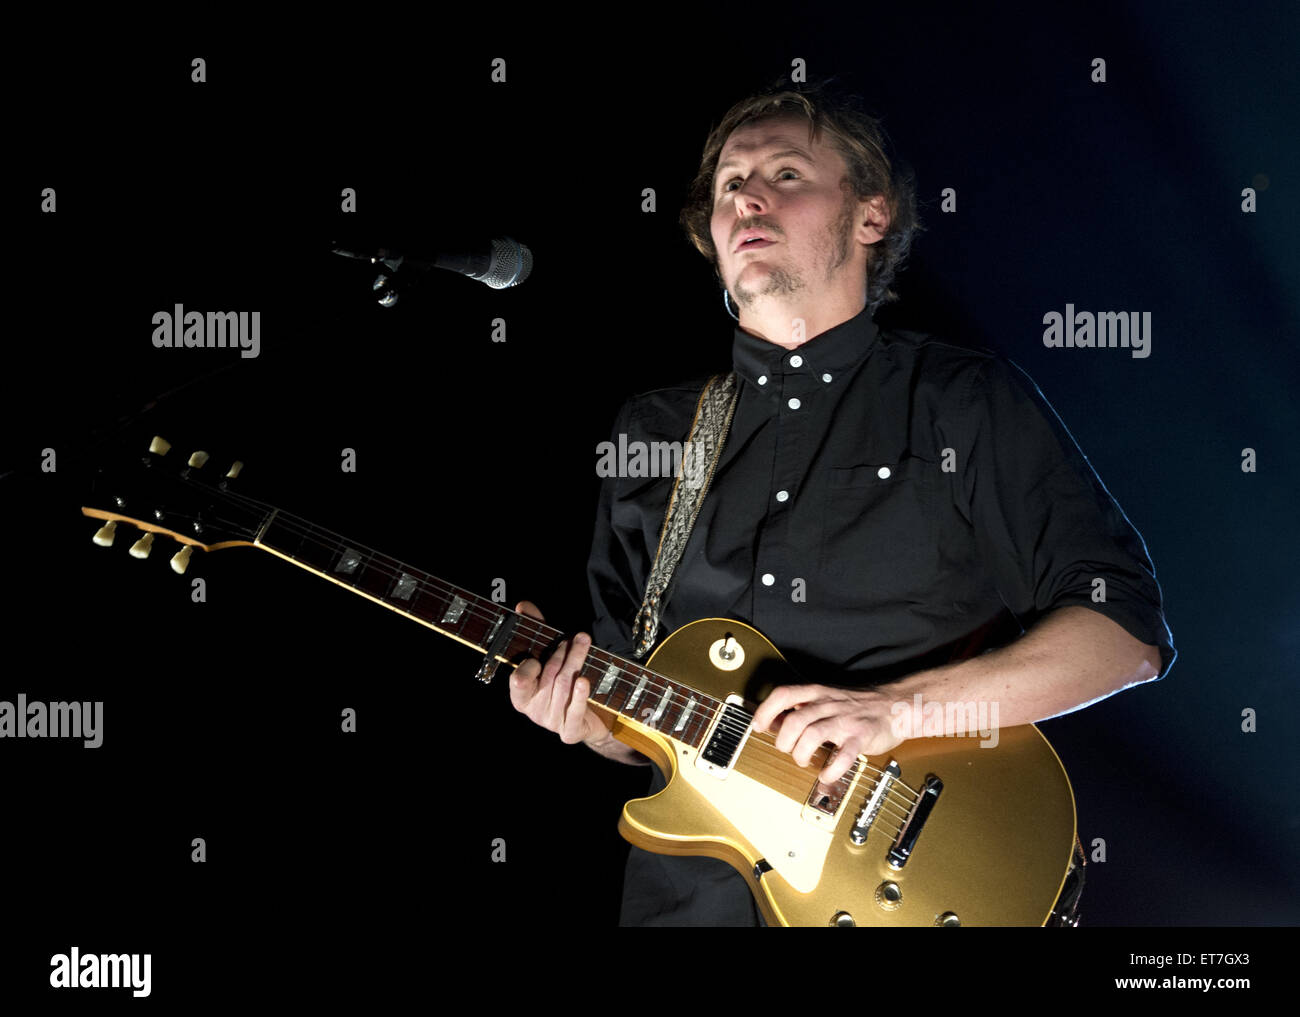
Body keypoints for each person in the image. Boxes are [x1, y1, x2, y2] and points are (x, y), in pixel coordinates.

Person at [507, 81, 1175, 926]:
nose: (746, 194)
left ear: (870, 215)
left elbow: (1127, 634)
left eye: (785, 173)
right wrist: (583, 716)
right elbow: (634, 703)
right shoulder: (654, 431)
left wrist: (901, 708)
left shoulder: (962, 401)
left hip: (909, 891)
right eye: (728, 185)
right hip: (688, 906)